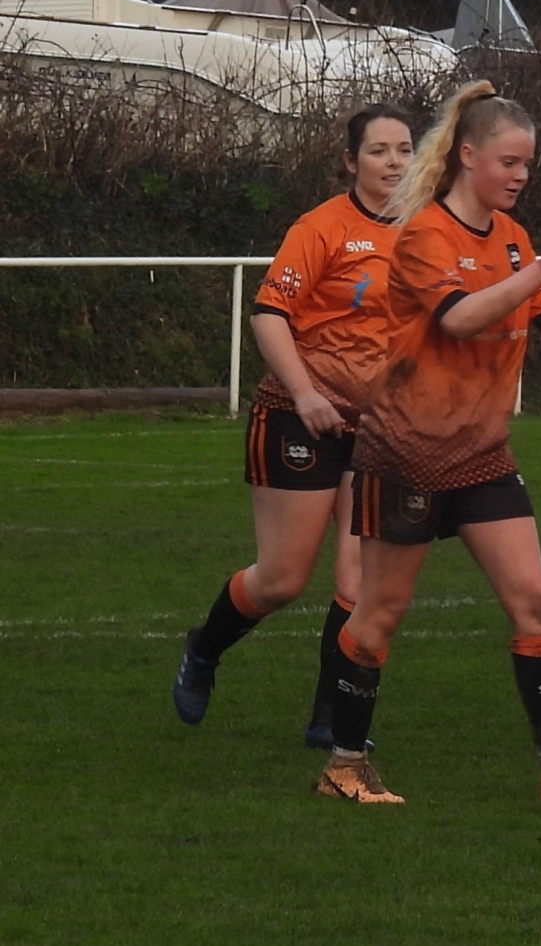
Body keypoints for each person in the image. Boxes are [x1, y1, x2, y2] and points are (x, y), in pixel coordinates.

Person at [313, 81, 541, 805]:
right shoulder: (423, 236)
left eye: (528, 165)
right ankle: (344, 763)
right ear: (468, 156)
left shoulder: (512, 239)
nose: (520, 176)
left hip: (480, 456)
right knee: (378, 614)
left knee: (533, 601)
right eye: (509, 161)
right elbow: (462, 319)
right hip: (405, 453)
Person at [172, 104, 413, 748]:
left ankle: (330, 718)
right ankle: (204, 649)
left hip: (378, 428)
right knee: (281, 579)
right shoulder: (322, 228)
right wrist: (306, 394)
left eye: (403, 150)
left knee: (358, 577)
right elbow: (268, 315)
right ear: (350, 161)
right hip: (297, 415)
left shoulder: (426, 233)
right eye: (379, 151)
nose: (393, 163)